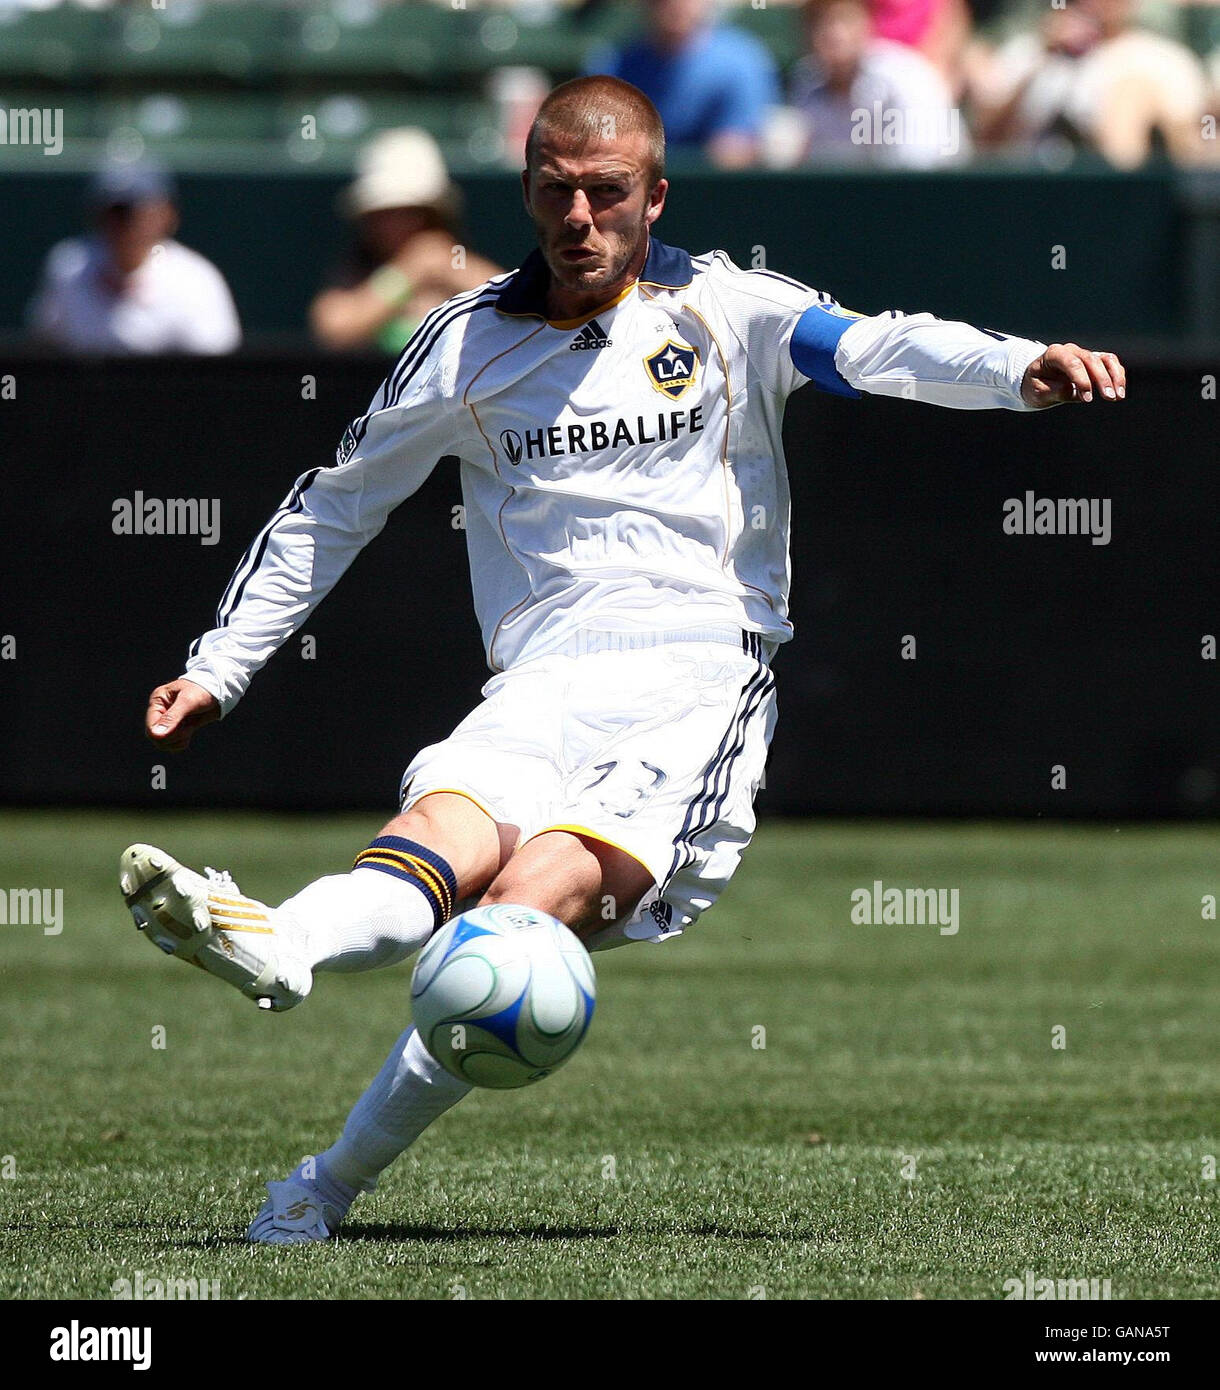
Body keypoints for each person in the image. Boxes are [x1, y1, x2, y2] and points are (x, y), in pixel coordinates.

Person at [121, 75, 1126, 1245]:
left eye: (607, 194)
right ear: (528, 193)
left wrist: (1015, 370)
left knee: (518, 906)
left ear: (656, 195)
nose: (580, 219)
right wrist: (219, 666)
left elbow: (873, 347)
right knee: (433, 846)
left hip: (694, 676)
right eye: (557, 192)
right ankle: (280, 946)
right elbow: (331, 509)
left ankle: (322, 1183)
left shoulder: (726, 304)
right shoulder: (463, 348)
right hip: (540, 679)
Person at [310, 128, 502, 354]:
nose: (395, 225)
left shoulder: (454, 264)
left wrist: (446, 267)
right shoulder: (353, 278)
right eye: (384, 214)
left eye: (411, 212)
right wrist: (407, 274)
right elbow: (333, 329)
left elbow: (519, 307)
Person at [27, 162, 241, 355]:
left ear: (166, 214)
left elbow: (214, 373)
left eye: (137, 211)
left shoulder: (196, 279)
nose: (127, 223)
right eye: (116, 211)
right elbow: (46, 346)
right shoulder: (68, 268)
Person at [972, 0, 1210, 167]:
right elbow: (983, 141)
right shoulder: (1030, 52)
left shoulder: (1164, 59)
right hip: (1026, 195)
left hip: (1112, 200)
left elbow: (1189, 148)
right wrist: (1042, 59)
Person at [586, 0, 779, 168]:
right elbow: (599, 151)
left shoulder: (741, 61)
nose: (674, 4)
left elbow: (733, 154)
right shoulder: (615, 64)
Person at [791, 0, 969, 166]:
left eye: (845, 19)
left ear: (867, 22)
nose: (834, 33)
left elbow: (914, 171)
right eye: (819, 22)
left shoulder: (903, 78)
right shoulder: (805, 81)